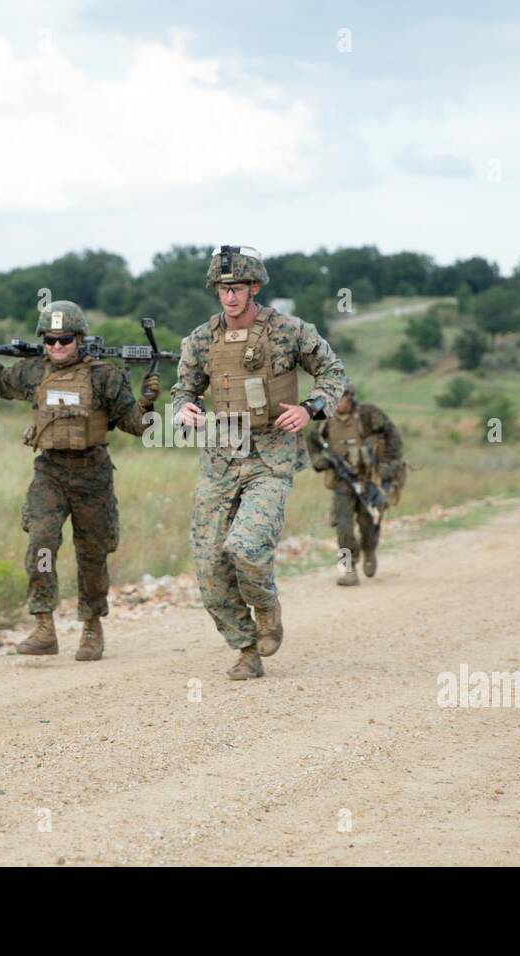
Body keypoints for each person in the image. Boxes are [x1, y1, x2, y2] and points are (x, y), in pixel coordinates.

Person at [171, 245, 346, 679]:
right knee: (209, 566)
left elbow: (334, 374)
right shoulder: (200, 339)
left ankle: (267, 607)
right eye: (223, 288)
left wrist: (310, 408)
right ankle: (246, 648)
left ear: (255, 288)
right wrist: (183, 408)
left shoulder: (291, 331)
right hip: (220, 459)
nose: (230, 297)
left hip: (271, 458)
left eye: (239, 288)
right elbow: (183, 389)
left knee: (246, 547)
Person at [0, 302, 160, 661]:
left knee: (92, 554)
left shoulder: (103, 376)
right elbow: (2, 382)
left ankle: (92, 625)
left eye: (64, 339)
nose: (57, 347)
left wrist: (146, 402)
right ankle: (44, 624)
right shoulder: (35, 372)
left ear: (80, 339)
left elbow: (135, 425)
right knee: (42, 544)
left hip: (92, 473)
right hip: (50, 472)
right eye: (50, 340)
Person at [305, 378, 405, 585]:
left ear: (350, 397)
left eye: (343, 397)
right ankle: (348, 569)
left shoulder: (368, 415)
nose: (339, 401)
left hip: (370, 479)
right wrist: (319, 460)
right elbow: (311, 442)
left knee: (368, 525)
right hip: (342, 481)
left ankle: (369, 550)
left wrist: (387, 466)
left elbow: (394, 437)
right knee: (343, 527)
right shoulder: (324, 419)